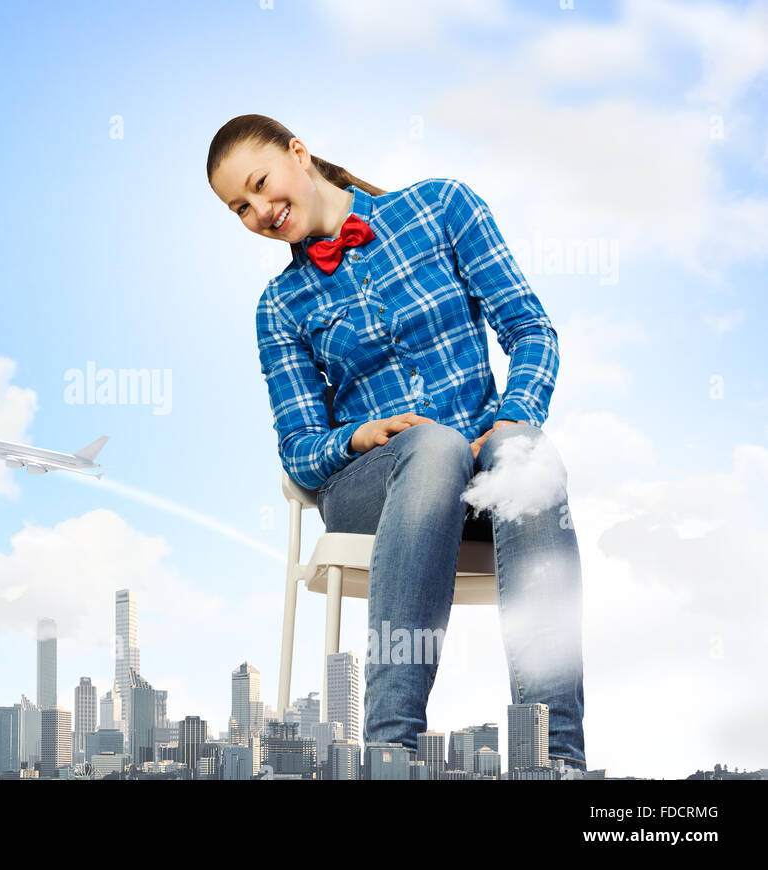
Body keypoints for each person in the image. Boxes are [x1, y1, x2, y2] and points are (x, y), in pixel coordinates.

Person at [206, 114, 586, 773]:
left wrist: (513, 418)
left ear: (300, 153)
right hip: (371, 486)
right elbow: (297, 448)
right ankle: (390, 752)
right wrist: (357, 435)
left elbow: (532, 332)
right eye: (240, 207)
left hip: (482, 472)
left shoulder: (443, 207)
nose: (261, 211)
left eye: (262, 185)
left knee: (524, 455)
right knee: (432, 447)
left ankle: (553, 761)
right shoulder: (279, 305)